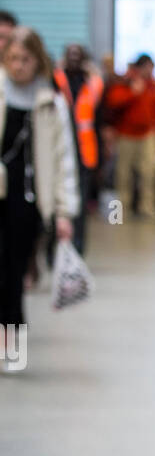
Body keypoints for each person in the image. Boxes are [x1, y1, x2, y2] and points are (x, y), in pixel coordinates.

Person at [0, 26, 79, 369]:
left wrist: (64, 212)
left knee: (13, 273)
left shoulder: (51, 103)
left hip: (27, 202)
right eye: (13, 58)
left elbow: (64, 162)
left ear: (38, 61)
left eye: (26, 59)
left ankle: (10, 344)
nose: (19, 66)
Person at [104, 53, 155, 220]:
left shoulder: (154, 85)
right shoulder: (126, 81)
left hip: (147, 135)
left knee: (149, 174)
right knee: (123, 175)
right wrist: (133, 92)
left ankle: (147, 208)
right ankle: (119, 212)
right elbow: (113, 102)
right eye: (148, 67)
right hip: (125, 135)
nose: (150, 71)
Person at [54, 44, 103, 255]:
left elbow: (99, 115)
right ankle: (53, 250)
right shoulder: (56, 78)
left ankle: (79, 247)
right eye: (70, 55)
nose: (74, 59)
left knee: (81, 204)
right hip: (59, 149)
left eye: (78, 55)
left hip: (84, 151)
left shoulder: (91, 82)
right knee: (57, 203)